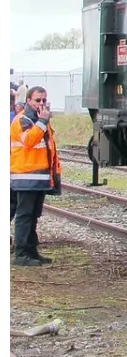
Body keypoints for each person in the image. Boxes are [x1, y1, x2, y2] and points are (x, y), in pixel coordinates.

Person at [10, 86, 60, 267]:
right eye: (38, 100)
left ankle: (31, 251)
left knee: (33, 215)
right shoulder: (23, 120)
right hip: (25, 177)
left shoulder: (39, 120)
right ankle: (21, 253)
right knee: (24, 215)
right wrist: (42, 122)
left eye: (44, 100)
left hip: (38, 177)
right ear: (29, 101)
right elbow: (29, 140)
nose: (41, 104)